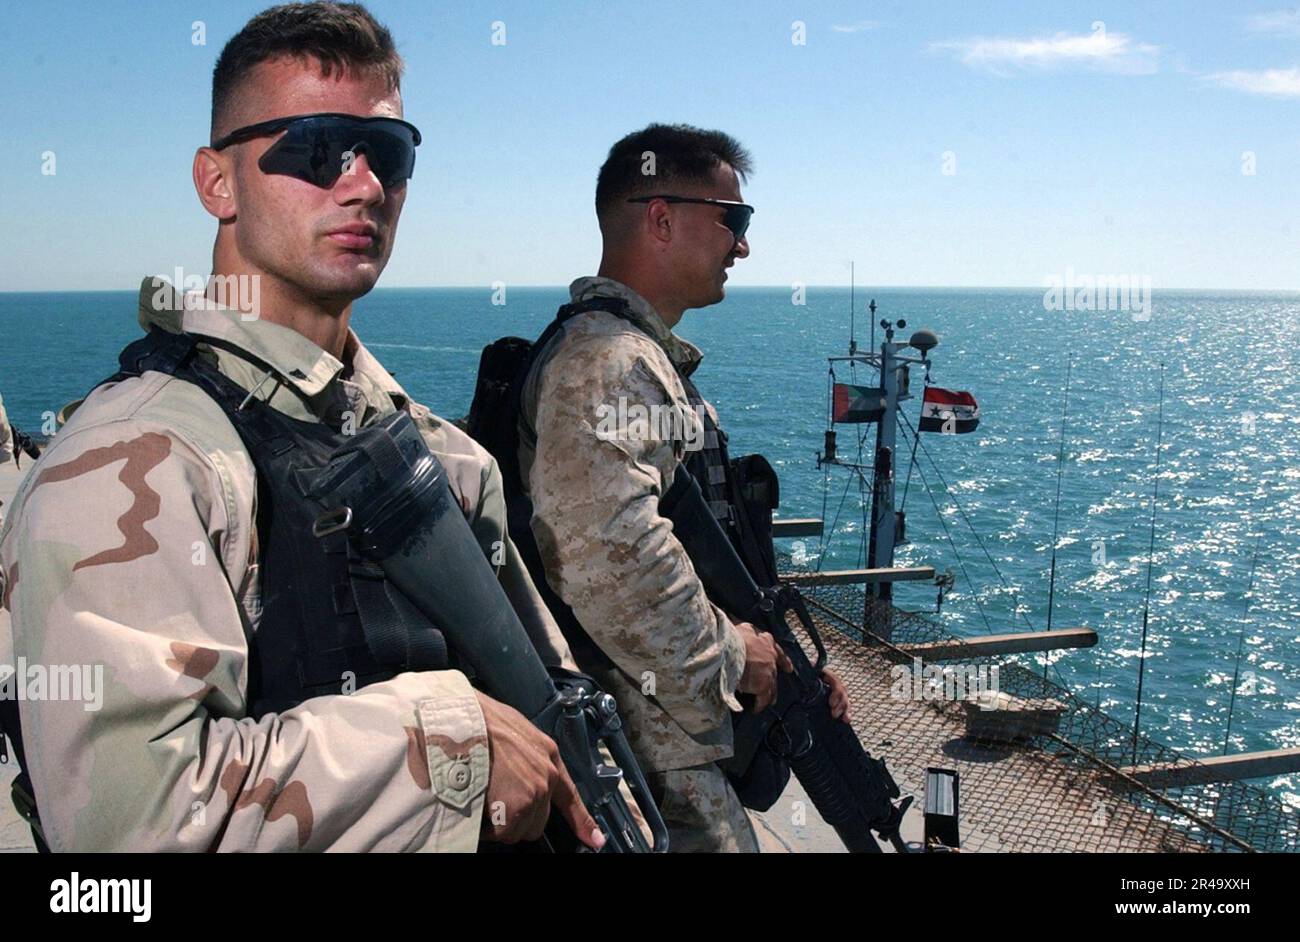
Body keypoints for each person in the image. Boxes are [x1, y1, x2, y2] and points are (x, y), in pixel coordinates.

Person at [0, 1, 602, 853]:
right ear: (217, 181)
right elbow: (125, 835)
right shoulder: (134, 461)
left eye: (388, 154)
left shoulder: (444, 459)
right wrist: (446, 744)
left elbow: (545, 703)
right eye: (316, 148)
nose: (363, 184)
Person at [515, 124, 850, 852]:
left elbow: (691, 553)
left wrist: (782, 669)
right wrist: (733, 657)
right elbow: (612, 563)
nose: (743, 245)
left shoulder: (639, 361)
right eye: (735, 219)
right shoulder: (607, 361)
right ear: (661, 218)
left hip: (667, 742)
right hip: (648, 761)